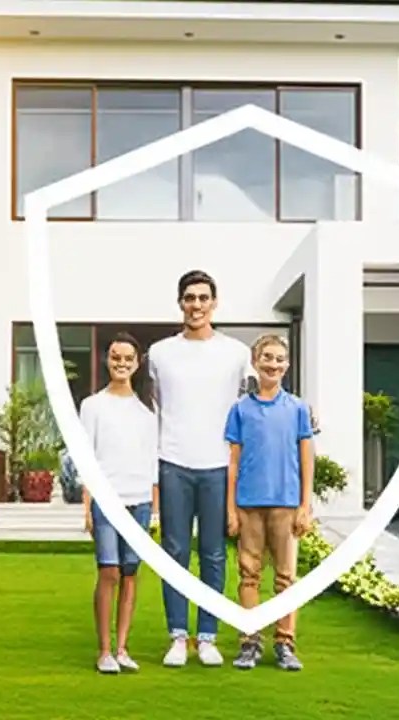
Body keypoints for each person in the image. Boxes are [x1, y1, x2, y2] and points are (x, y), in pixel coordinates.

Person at [148, 269, 256, 668]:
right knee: (174, 552)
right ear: (180, 303)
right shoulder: (160, 353)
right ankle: (178, 635)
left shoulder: (236, 353)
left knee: (213, 554)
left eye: (203, 298)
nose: (196, 305)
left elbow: (246, 411)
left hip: (217, 466)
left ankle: (207, 636)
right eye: (189, 298)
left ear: (214, 302)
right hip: (174, 462)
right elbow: (159, 405)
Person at [225, 333, 313, 672]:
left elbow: (307, 460)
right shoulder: (240, 410)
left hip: (286, 503)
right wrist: (231, 508)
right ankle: (249, 641)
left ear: (287, 365)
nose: (273, 364)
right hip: (249, 504)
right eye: (267, 358)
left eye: (279, 359)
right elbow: (233, 462)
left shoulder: (298, 409)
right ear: (255, 361)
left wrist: (305, 505)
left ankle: (285, 642)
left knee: (285, 578)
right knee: (249, 575)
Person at [79, 333, 159, 674]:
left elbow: (152, 461)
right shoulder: (92, 405)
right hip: (106, 501)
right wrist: (86, 506)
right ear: (107, 360)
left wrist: (155, 508)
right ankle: (104, 650)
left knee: (130, 574)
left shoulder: (147, 411)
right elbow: (86, 458)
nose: (121, 363)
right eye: (115, 357)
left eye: (128, 358)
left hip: (139, 500)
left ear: (137, 363)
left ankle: (123, 648)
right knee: (108, 571)